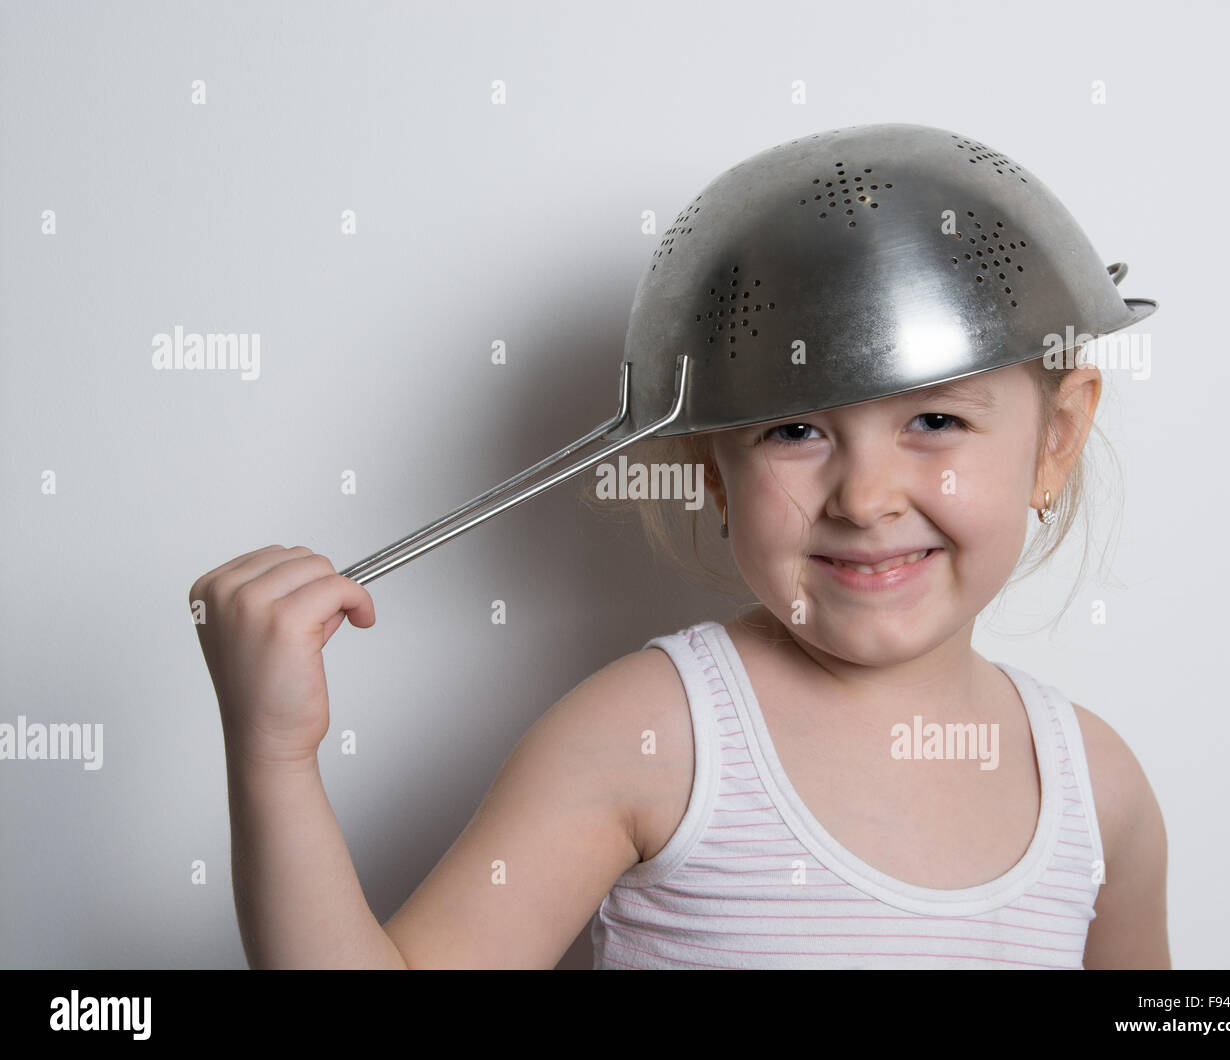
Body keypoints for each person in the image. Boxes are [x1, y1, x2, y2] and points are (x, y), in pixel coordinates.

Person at [190, 128, 1169, 970]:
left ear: (1056, 439)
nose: (865, 498)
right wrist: (275, 754)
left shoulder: (1096, 790)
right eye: (794, 431)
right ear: (711, 467)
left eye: (937, 421)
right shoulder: (649, 738)